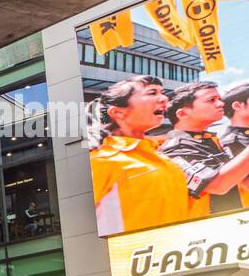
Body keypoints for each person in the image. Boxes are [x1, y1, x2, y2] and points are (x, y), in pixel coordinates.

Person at [87, 74, 209, 235]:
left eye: (162, 92)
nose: (164, 98)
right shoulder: (101, 159)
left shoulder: (162, 157)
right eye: (152, 93)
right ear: (118, 113)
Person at [160, 80, 249, 214]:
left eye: (219, 99)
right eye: (211, 100)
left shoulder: (210, 140)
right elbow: (219, 185)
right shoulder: (174, 149)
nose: (221, 103)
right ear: (182, 114)